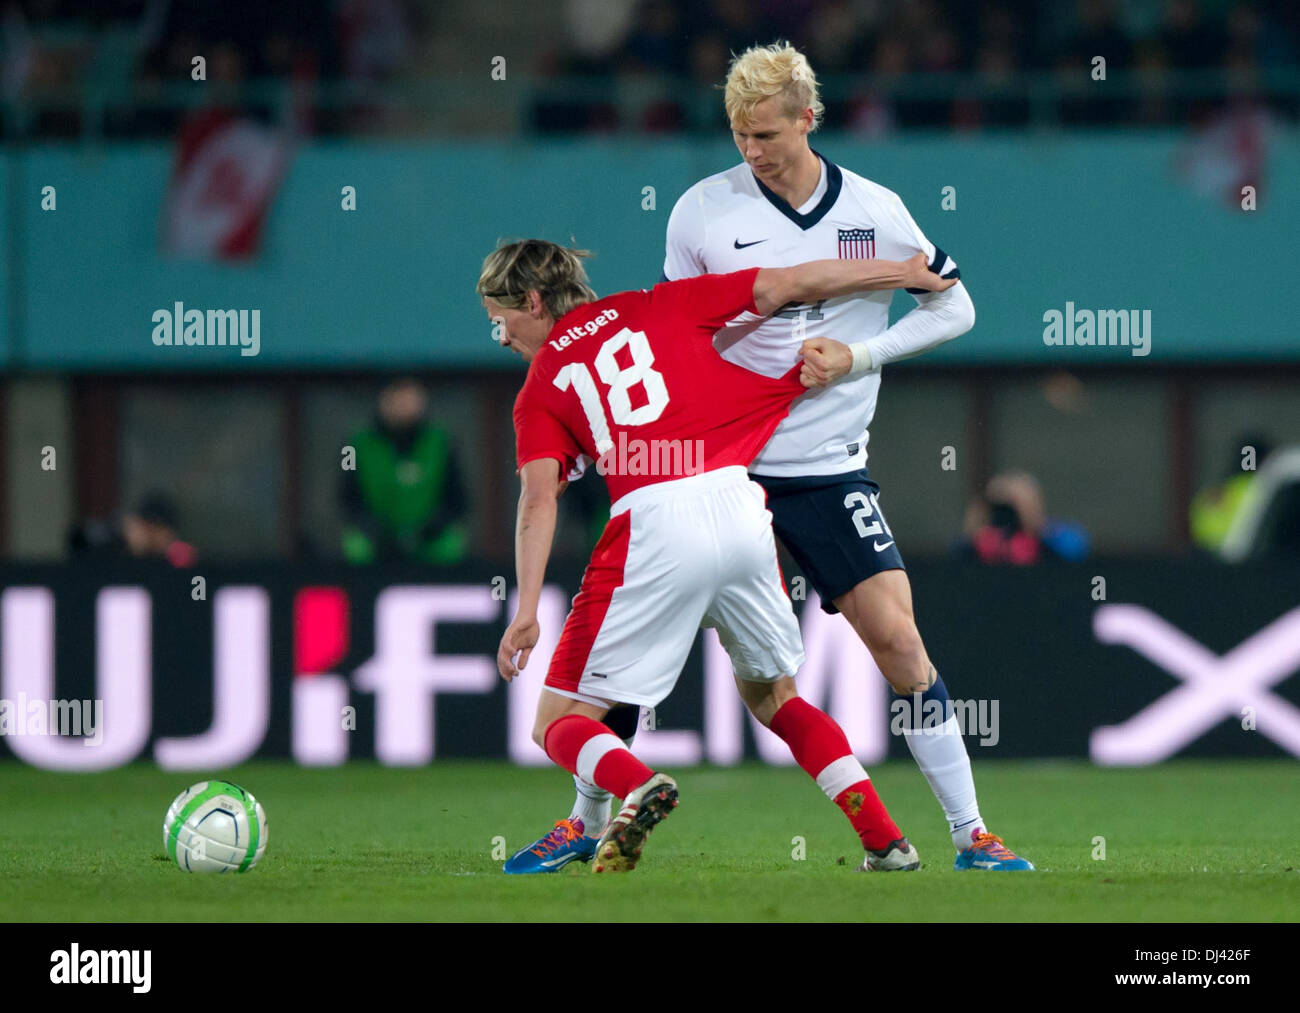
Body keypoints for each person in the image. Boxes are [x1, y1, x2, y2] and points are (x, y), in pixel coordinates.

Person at [512, 41, 1033, 873]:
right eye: (739, 136)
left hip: (824, 464)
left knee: (900, 644)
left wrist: (858, 357)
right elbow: (679, 334)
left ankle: (972, 834)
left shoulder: (876, 210)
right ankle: (586, 821)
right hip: (719, 465)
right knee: (625, 674)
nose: (752, 151)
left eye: (766, 134)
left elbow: (956, 308)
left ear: (807, 118)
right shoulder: (701, 212)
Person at [482, 238, 954, 873]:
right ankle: (886, 841)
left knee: (556, 723)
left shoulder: (540, 385)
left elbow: (539, 500)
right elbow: (791, 281)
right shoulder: (658, 303)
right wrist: (901, 272)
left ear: (534, 302)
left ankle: (639, 786)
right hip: (739, 504)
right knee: (775, 697)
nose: (501, 338)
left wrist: (526, 610)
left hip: (652, 522)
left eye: (500, 320)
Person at [340, 378, 469, 565]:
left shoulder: (442, 441)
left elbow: (458, 498)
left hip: (429, 536)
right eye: (398, 397)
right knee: (356, 545)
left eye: (411, 397)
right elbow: (347, 497)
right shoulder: (355, 444)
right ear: (384, 400)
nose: (405, 405)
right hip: (377, 536)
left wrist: (432, 527)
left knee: (450, 543)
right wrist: (373, 528)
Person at [958, 471, 1090, 564]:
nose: (1005, 514)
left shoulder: (1051, 536)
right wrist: (974, 529)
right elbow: (956, 559)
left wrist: (1035, 525)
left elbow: (1078, 550)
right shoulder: (983, 541)